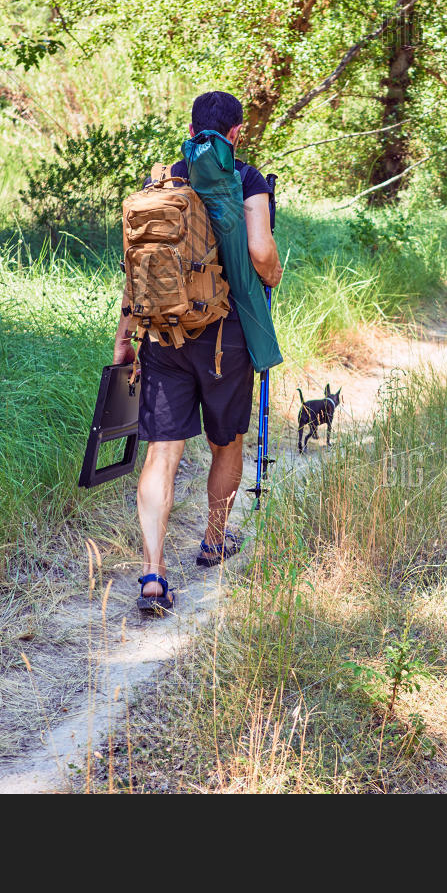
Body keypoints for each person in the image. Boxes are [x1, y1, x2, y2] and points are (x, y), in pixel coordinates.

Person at [112, 91, 283, 611]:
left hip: (163, 333)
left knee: (162, 451)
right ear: (236, 133)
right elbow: (260, 251)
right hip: (224, 337)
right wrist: (274, 274)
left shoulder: (162, 183)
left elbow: (136, 268)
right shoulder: (247, 179)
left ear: (190, 129)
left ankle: (153, 574)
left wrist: (124, 340)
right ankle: (213, 541)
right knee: (226, 442)